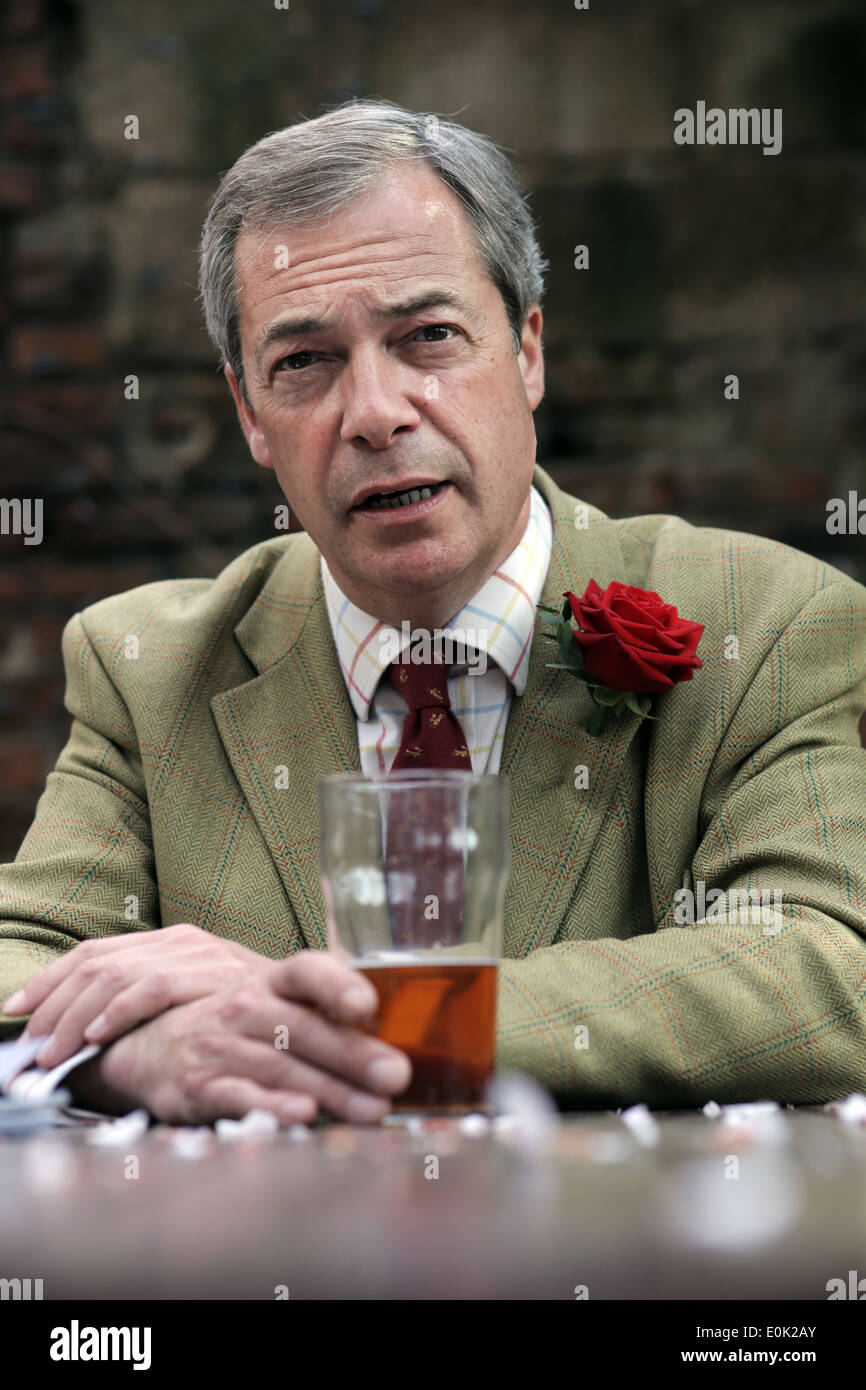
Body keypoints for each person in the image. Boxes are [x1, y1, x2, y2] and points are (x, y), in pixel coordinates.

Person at [1, 100, 865, 1124]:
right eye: (303, 363)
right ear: (249, 417)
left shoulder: (758, 622)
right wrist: (145, 1054)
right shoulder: (149, 666)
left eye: (427, 337)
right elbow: (22, 969)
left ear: (527, 353)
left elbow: (819, 971)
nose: (373, 412)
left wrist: (383, 1023)